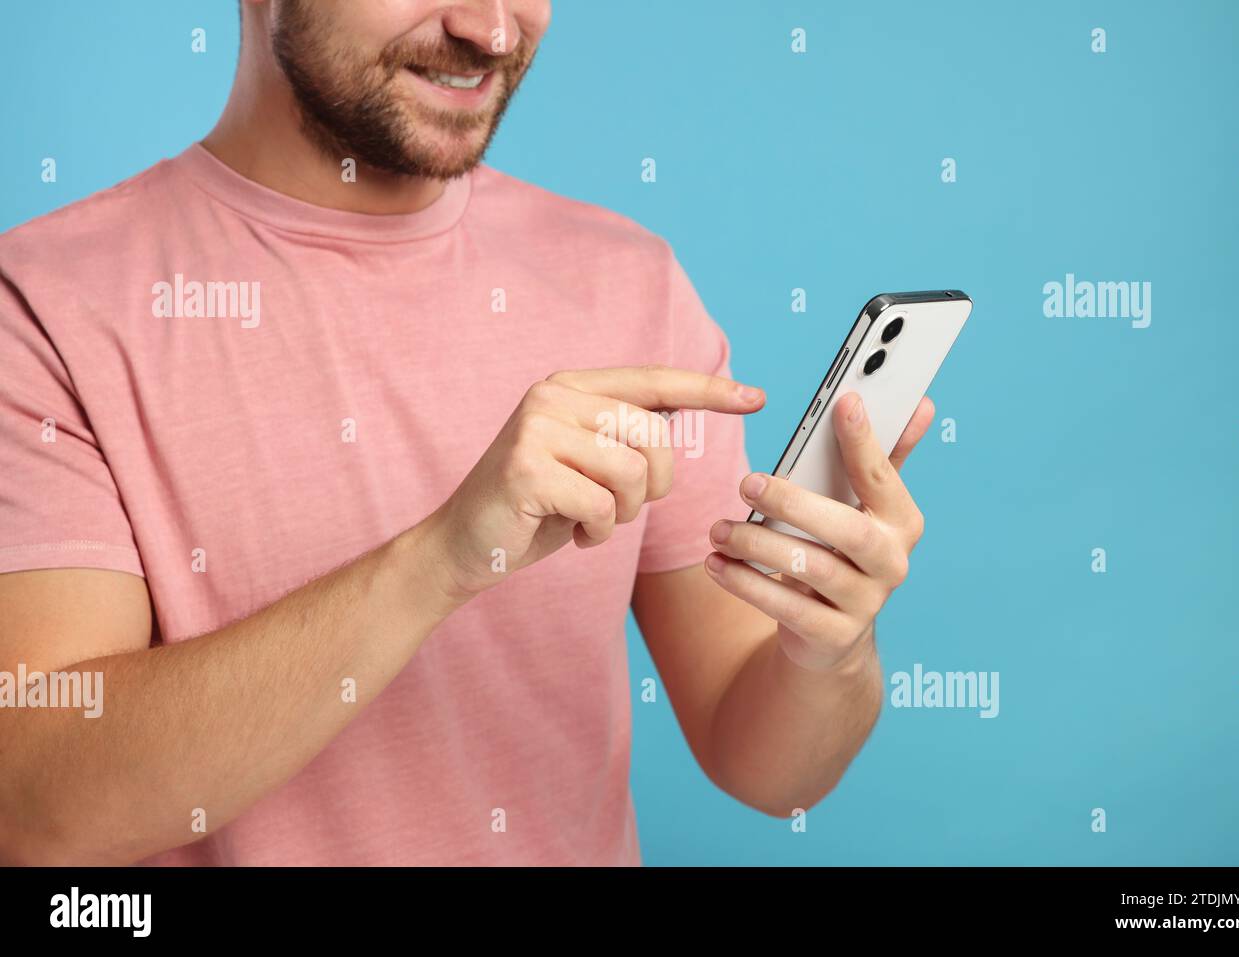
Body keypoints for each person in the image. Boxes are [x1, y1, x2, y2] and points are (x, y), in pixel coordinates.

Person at [0, 0, 932, 866]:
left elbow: (766, 766)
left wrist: (830, 648)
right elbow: (36, 806)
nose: (488, 28)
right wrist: (442, 555)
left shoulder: (627, 284)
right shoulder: (47, 308)